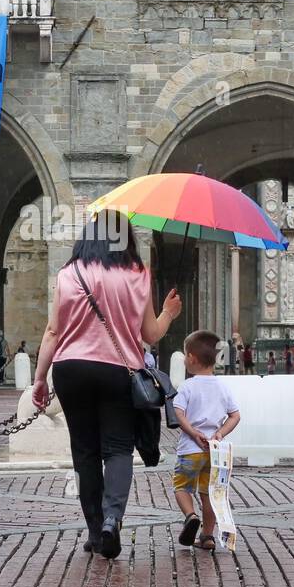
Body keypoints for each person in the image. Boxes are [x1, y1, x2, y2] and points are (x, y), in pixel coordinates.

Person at [31, 211, 181, 560]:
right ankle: (113, 518)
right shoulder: (137, 275)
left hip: (70, 369)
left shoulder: (69, 273)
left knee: (84, 452)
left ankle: (96, 531)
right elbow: (150, 335)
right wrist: (169, 312)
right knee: (117, 449)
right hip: (118, 371)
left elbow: (53, 332)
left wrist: (40, 379)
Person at [172, 330, 241, 552]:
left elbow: (178, 414)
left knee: (181, 487)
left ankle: (191, 516)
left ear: (191, 358)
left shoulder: (187, 386)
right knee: (209, 493)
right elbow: (235, 415)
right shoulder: (222, 386)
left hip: (190, 449)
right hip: (214, 450)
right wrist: (220, 433)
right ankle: (208, 536)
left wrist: (193, 432)